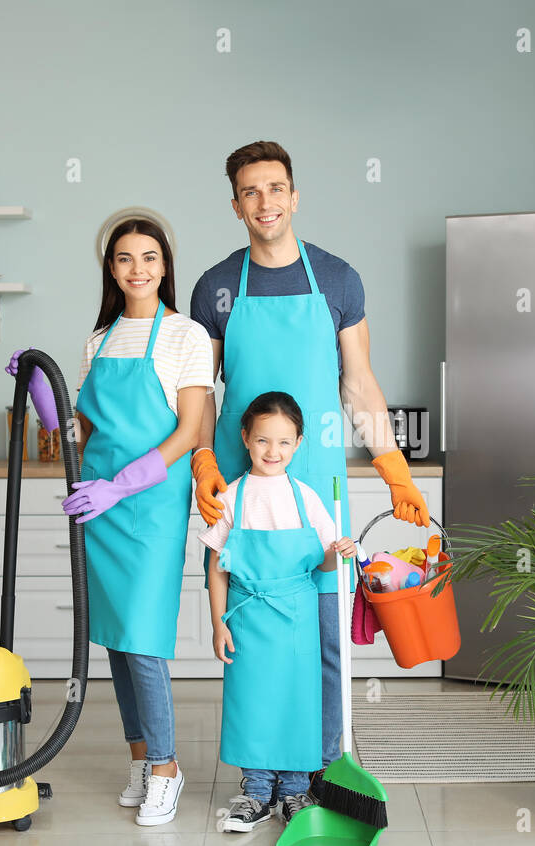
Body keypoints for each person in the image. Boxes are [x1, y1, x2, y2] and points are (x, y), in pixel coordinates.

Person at [190, 141, 429, 791]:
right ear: (234, 204)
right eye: (250, 191)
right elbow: (198, 391)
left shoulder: (338, 280)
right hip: (240, 488)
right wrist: (204, 459)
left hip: (317, 483)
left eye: (275, 188)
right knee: (251, 637)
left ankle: (320, 772)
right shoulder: (214, 287)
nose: (264, 202)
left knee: (322, 637)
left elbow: (360, 385)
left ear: (294, 196)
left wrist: (394, 471)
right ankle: (259, 774)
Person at [6, 217, 212, 827]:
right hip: (99, 505)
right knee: (118, 644)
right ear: (111, 269)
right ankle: (141, 760)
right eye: (125, 259)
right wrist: (39, 389)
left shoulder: (187, 335)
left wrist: (120, 486)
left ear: (166, 265)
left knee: (144, 643)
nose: (138, 269)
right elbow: (75, 433)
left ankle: (169, 769)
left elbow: (187, 434)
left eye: (149, 257)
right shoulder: (99, 339)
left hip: (148, 506)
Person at [200, 391, 357, 830]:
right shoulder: (232, 498)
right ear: (245, 438)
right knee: (252, 702)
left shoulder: (305, 497)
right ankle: (254, 792)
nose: (274, 451)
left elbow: (323, 558)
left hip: (297, 619)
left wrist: (339, 551)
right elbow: (217, 568)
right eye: (264, 440)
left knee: (296, 701)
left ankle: (291, 791)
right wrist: (218, 624)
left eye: (285, 442)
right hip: (247, 616)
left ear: (299, 443)